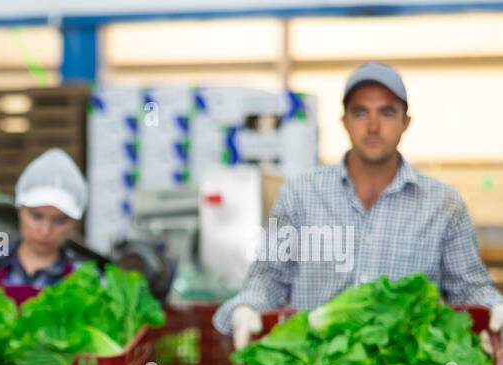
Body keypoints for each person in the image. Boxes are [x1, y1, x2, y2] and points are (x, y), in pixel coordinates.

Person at [215, 61, 503, 349]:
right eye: (360, 112)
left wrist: (494, 307)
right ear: (344, 121)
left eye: (387, 112)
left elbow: (468, 289)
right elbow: (269, 277)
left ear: (406, 122)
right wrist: (247, 308)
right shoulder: (300, 194)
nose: (373, 126)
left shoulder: (443, 205)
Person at [0, 148, 90, 304]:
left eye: (59, 221)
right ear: (19, 210)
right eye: (36, 216)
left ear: (74, 222)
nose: (45, 231)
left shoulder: (84, 278)